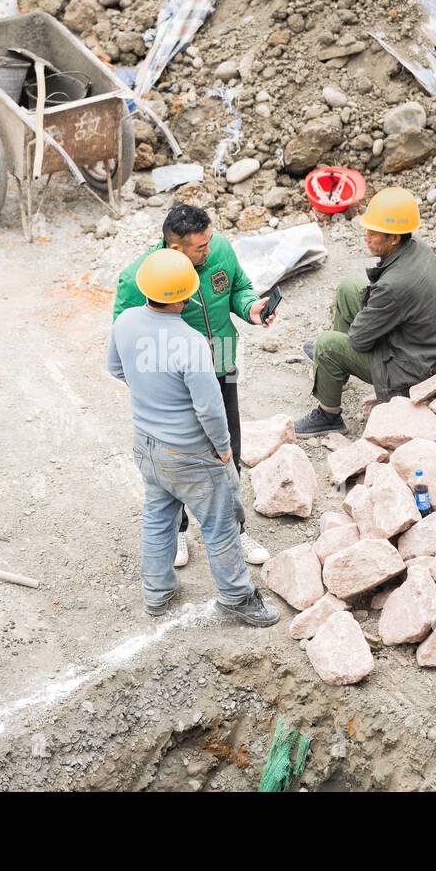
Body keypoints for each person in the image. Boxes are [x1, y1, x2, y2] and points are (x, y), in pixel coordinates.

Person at [107, 249, 279, 626]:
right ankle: (237, 597)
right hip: (189, 452)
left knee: (158, 517)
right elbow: (210, 408)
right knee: (219, 524)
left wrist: (150, 389)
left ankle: (157, 594)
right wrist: (222, 450)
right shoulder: (190, 340)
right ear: (187, 294)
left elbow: (115, 368)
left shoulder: (126, 322)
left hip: (147, 445)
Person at [295, 187, 436, 437]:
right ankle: (334, 371)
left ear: (394, 238)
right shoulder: (415, 246)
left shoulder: (395, 285)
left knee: (329, 344)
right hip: (429, 339)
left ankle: (329, 415)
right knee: (348, 288)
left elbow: (359, 340)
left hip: (414, 367)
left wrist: (362, 326)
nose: (366, 237)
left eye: (373, 233)